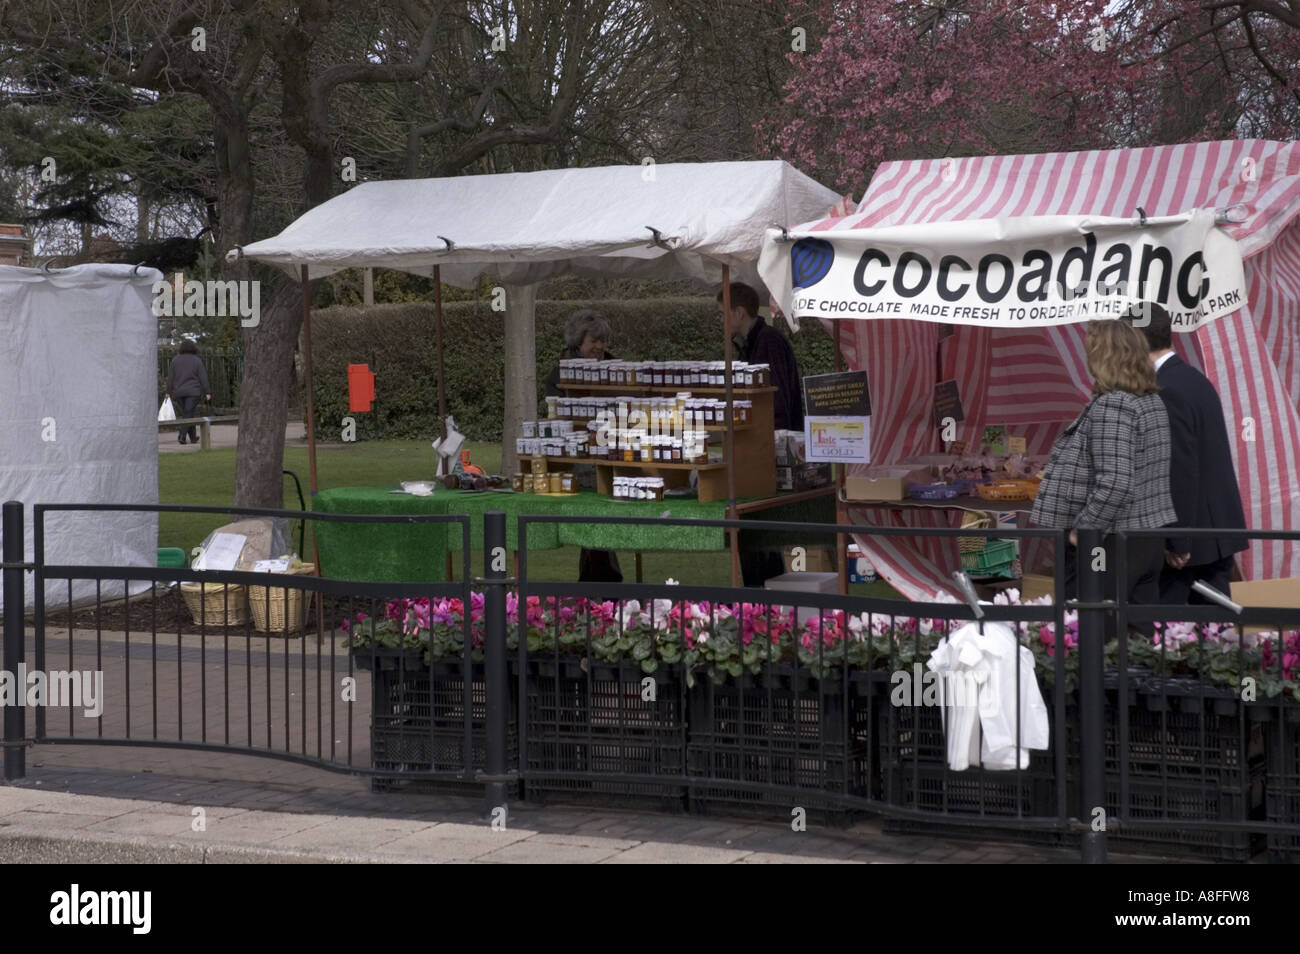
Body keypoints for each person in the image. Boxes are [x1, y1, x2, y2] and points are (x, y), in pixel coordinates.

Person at [1031, 319, 1177, 630]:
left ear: (1105, 356)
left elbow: (1115, 483)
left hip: (1111, 542)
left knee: (1093, 633)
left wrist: (1084, 529)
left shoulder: (1114, 405)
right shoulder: (1149, 400)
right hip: (1144, 537)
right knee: (1136, 637)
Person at [1129, 302, 1247, 604]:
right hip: (1213, 529)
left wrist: (1176, 539)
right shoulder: (1193, 379)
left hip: (1192, 542)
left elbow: (1178, 469)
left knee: (1178, 638)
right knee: (1212, 637)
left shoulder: (1165, 388)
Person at [545, 309, 622, 583]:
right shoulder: (560, 373)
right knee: (594, 521)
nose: (599, 347)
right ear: (578, 342)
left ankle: (595, 588)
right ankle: (605, 587)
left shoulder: (614, 367)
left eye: (602, 341)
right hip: (579, 457)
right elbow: (555, 415)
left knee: (601, 523)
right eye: (593, 341)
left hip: (611, 452)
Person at [717, 282, 804, 431]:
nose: (720, 320)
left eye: (722, 314)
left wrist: (774, 442)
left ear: (739, 312)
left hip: (776, 439)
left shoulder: (768, 340)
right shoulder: (751, 341)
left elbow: (777, 398)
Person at [165, 338, 211, 445]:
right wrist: (207, 391)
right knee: (188, 413)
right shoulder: (197, 360)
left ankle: (193, 437)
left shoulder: (175, 360)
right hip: (193, 392)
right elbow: (203, 377)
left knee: (188, 413)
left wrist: (168, 391)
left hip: (178, 392)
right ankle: (182, 435)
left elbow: (171, 377)